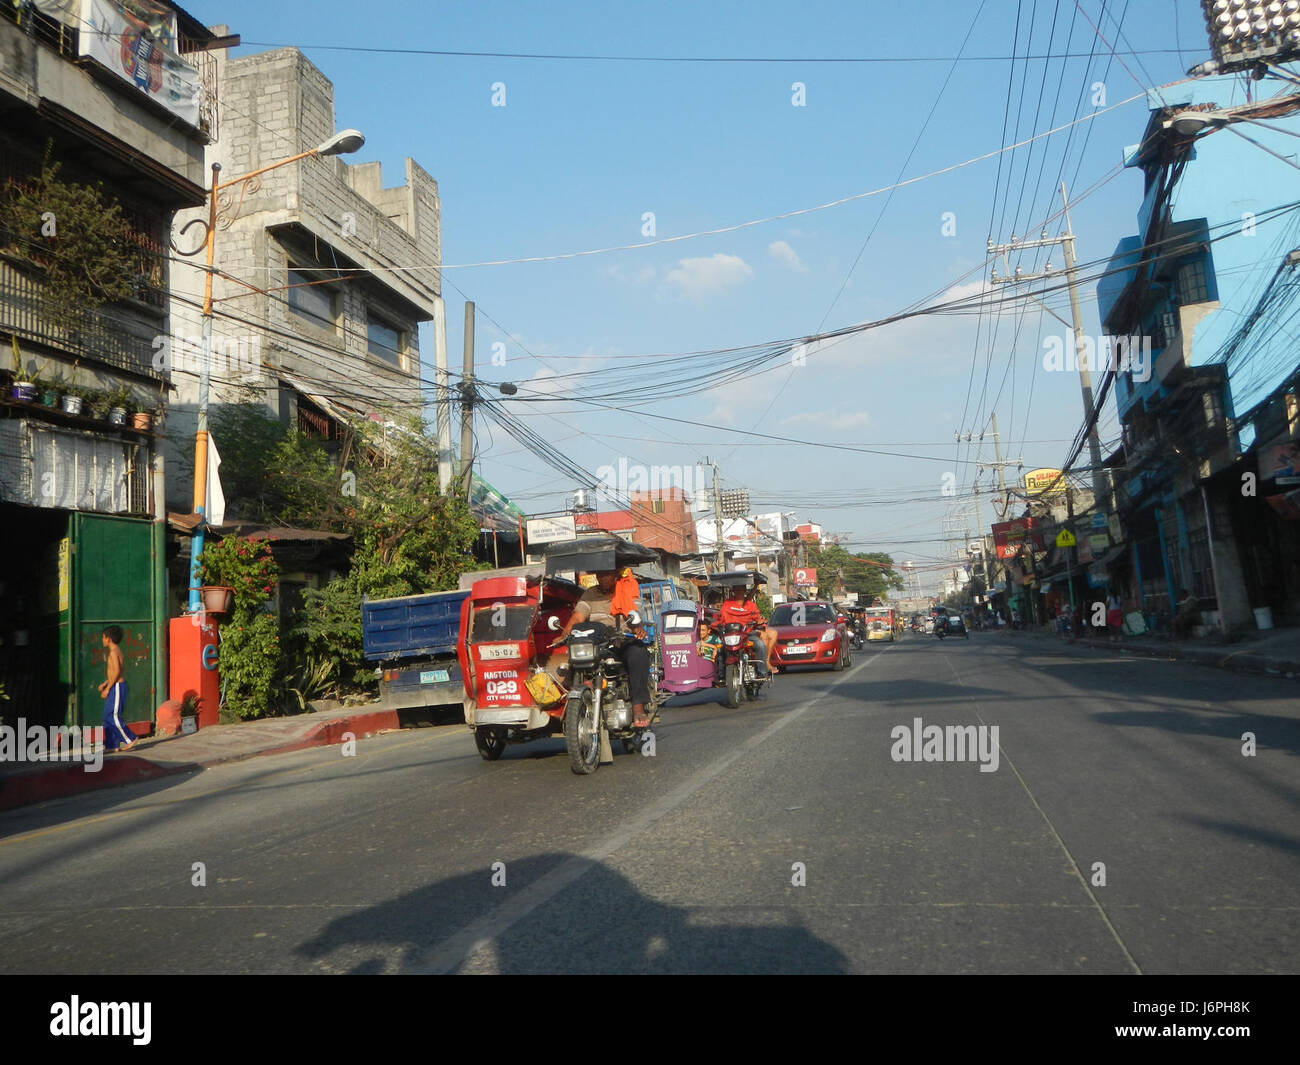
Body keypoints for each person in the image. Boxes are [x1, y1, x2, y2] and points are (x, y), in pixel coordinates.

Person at [551, 570, 653, 728]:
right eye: (599, 575)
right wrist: (564, 635)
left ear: (615, 575)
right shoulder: (590, 594)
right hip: (597, 643)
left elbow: (634, 614)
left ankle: (638, 706)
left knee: (638, 654)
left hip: (621, 640)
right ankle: (570, 706)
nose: (601, 578)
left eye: (605, 575)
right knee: (572, 661)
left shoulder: (628, 590)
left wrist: (636, 628)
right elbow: (578, 617)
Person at [718, 585, 774, 673]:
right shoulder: (727, 603)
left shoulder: (751, 605)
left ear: (744, 591)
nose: (739, 592)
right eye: (737, 589)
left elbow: (757, 617)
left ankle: (762, 671)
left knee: (760, 645)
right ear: (733, 591)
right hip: (731, 635)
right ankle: (720, 673)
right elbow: (721, 617)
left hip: (747, 634)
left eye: (741, 590)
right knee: (720, 649)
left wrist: (759, 621)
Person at [99, 625, 136, 753]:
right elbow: (114, 672)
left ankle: (130, 739)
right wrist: (105, 683)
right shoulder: (115, 651)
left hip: (117, 687)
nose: (102, 640)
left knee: (112, 716)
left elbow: (117, 672)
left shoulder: (114, 652)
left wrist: (107, 689)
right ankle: (112, 745)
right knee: (106, 716)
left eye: (103, 637)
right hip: (114, 685)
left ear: (108, 639)